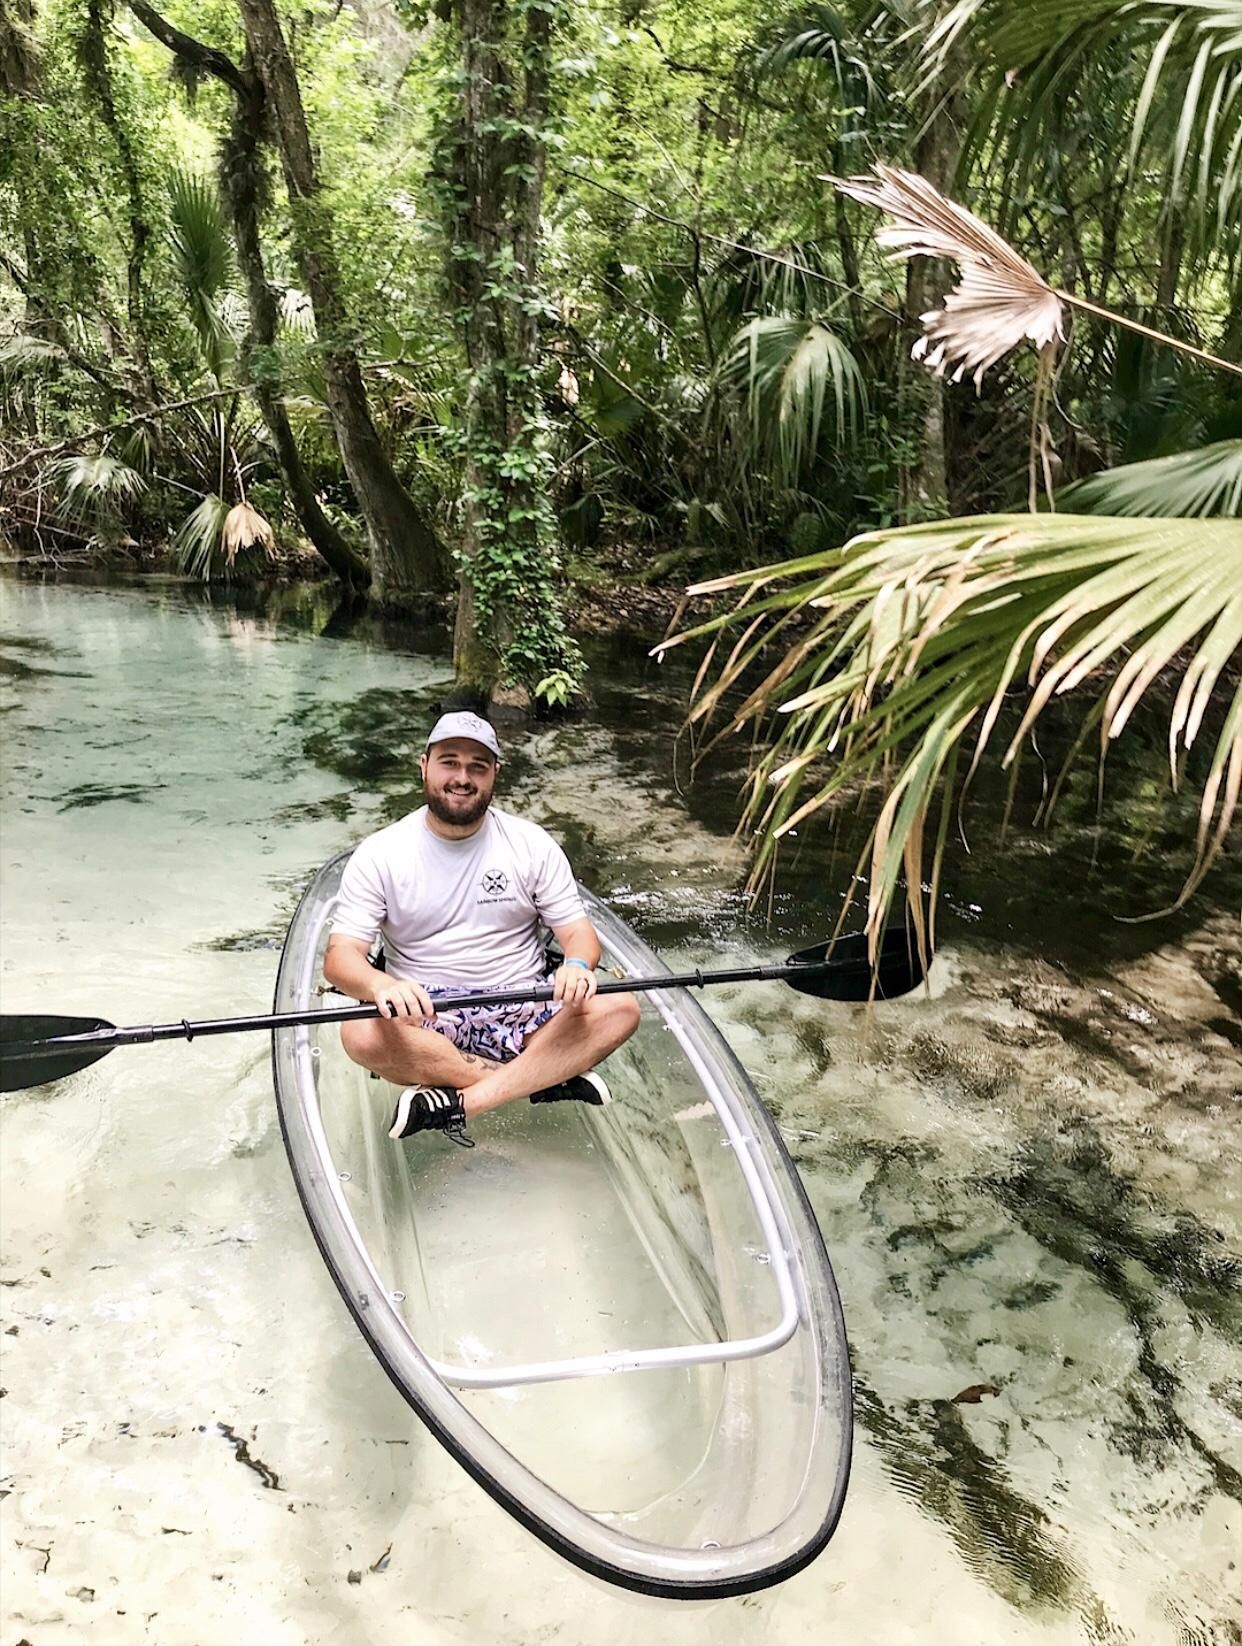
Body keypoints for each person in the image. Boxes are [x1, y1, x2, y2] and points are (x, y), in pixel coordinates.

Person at [323, 711, 641, 1147]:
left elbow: (580, 936)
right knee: (358, 1032)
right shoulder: (381, 853)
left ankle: (461, 1103)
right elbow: (340, 960)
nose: (462, 777)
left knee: (621, 1007)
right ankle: (544, 1077)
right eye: (449, 762)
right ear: (424, 766)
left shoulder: (530, 844)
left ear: (495, 774)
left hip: (525, 1002)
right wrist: (380, 985)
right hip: (429, 1014)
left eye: (477, 766)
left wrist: (577, 965)